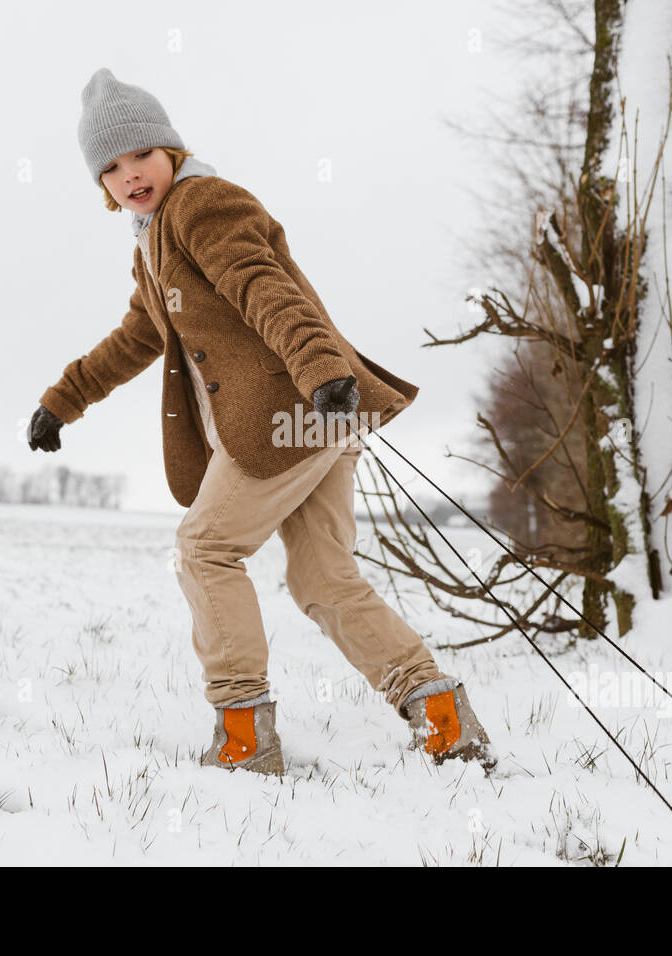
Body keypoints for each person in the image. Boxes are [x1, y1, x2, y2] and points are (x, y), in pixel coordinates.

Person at [27, 68, 495, 776]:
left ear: (172, 152)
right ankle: (443, 717)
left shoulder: (202, 205)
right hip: (311, 419)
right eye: (111, 167)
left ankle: (244, 736)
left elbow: (261, 283)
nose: (130, 175)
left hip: (287, 418)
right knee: (325, 582)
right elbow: (139, 337)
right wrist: (63, 399)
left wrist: (320, 367)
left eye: (142, 155)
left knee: (206, 549)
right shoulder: (151, 245)